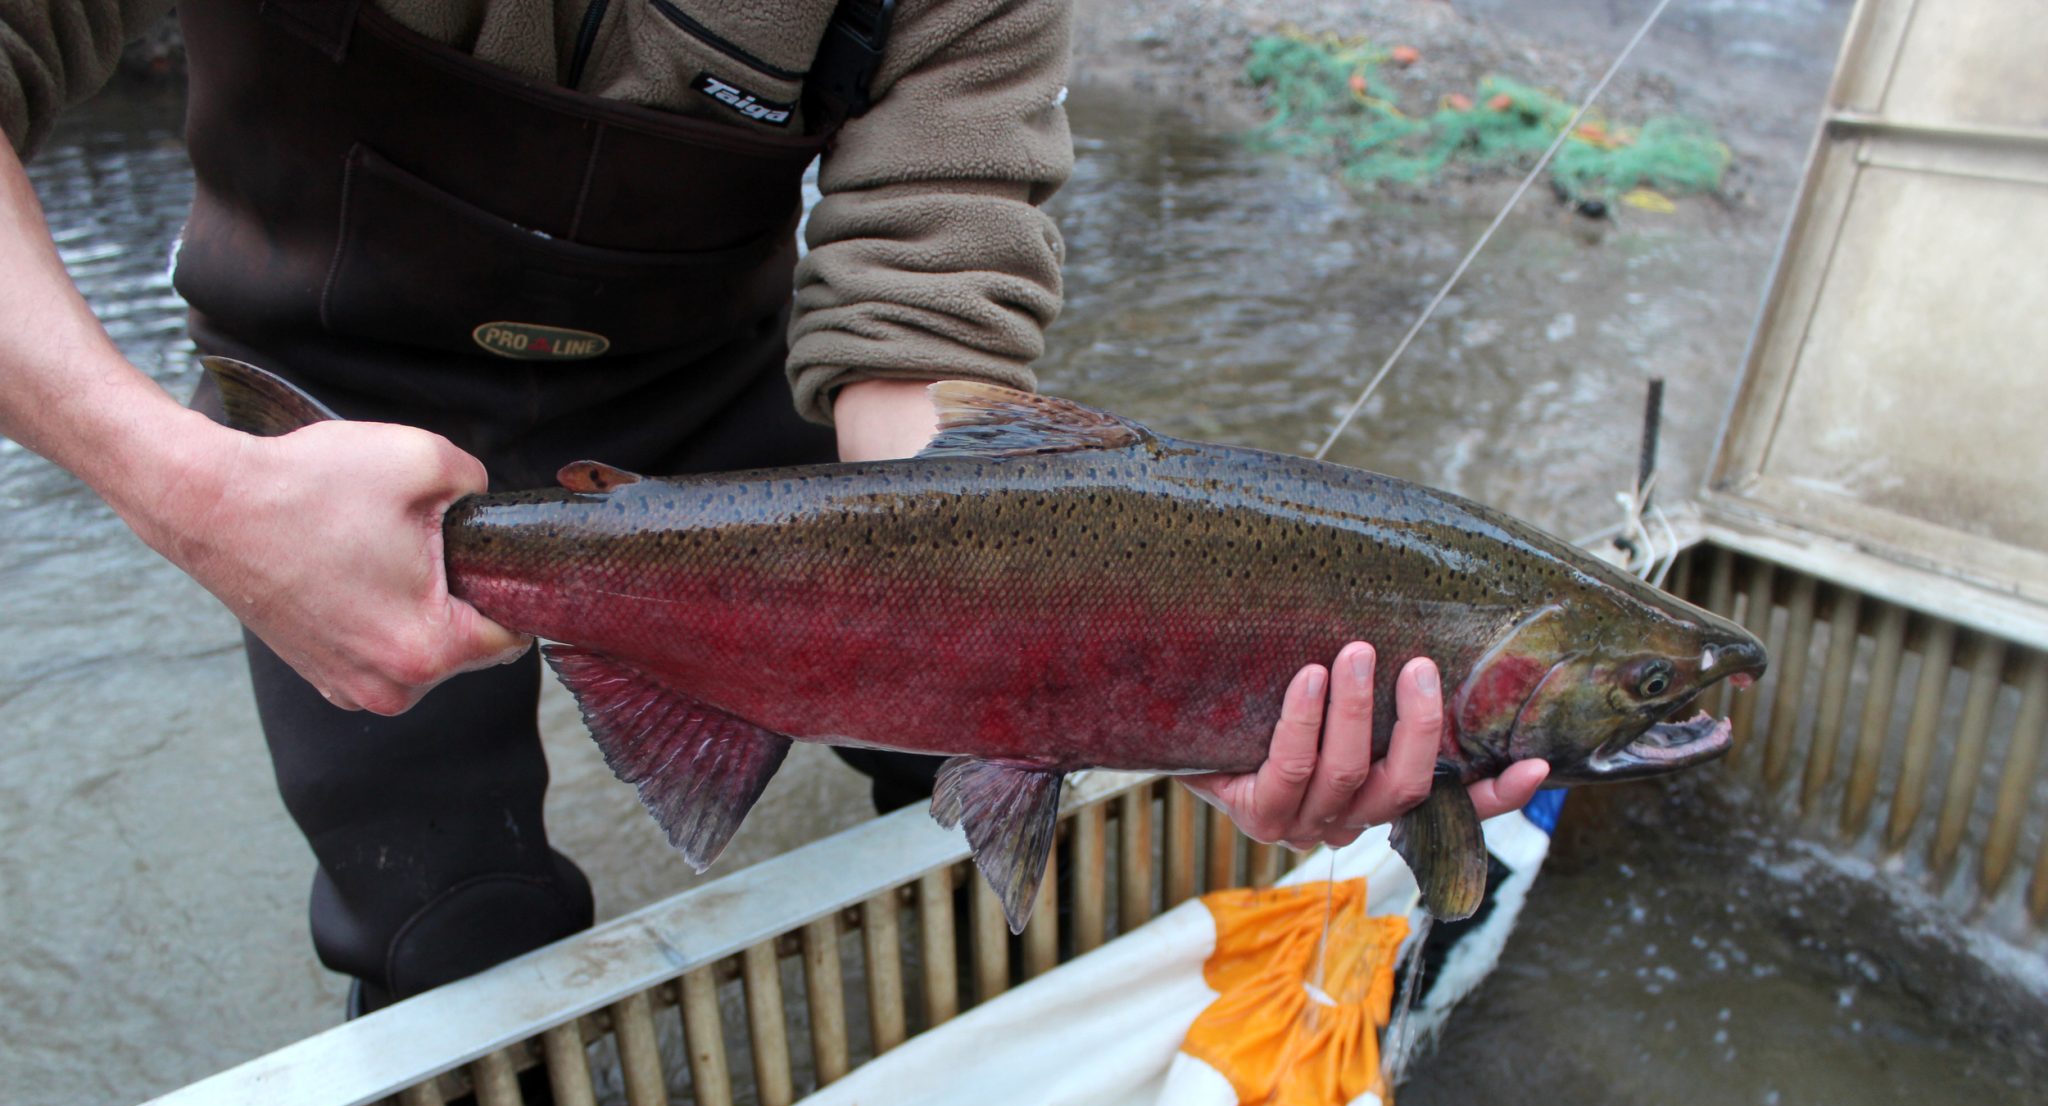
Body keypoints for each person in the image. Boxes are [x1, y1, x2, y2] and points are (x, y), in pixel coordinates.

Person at [0, 0, 1548, 1013]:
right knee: (448, 940)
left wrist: (1140, 671)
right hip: (317, 420)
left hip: (715, 411)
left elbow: (924, 330)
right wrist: (188, 487)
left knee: (966, 805)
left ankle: (948, 1078)